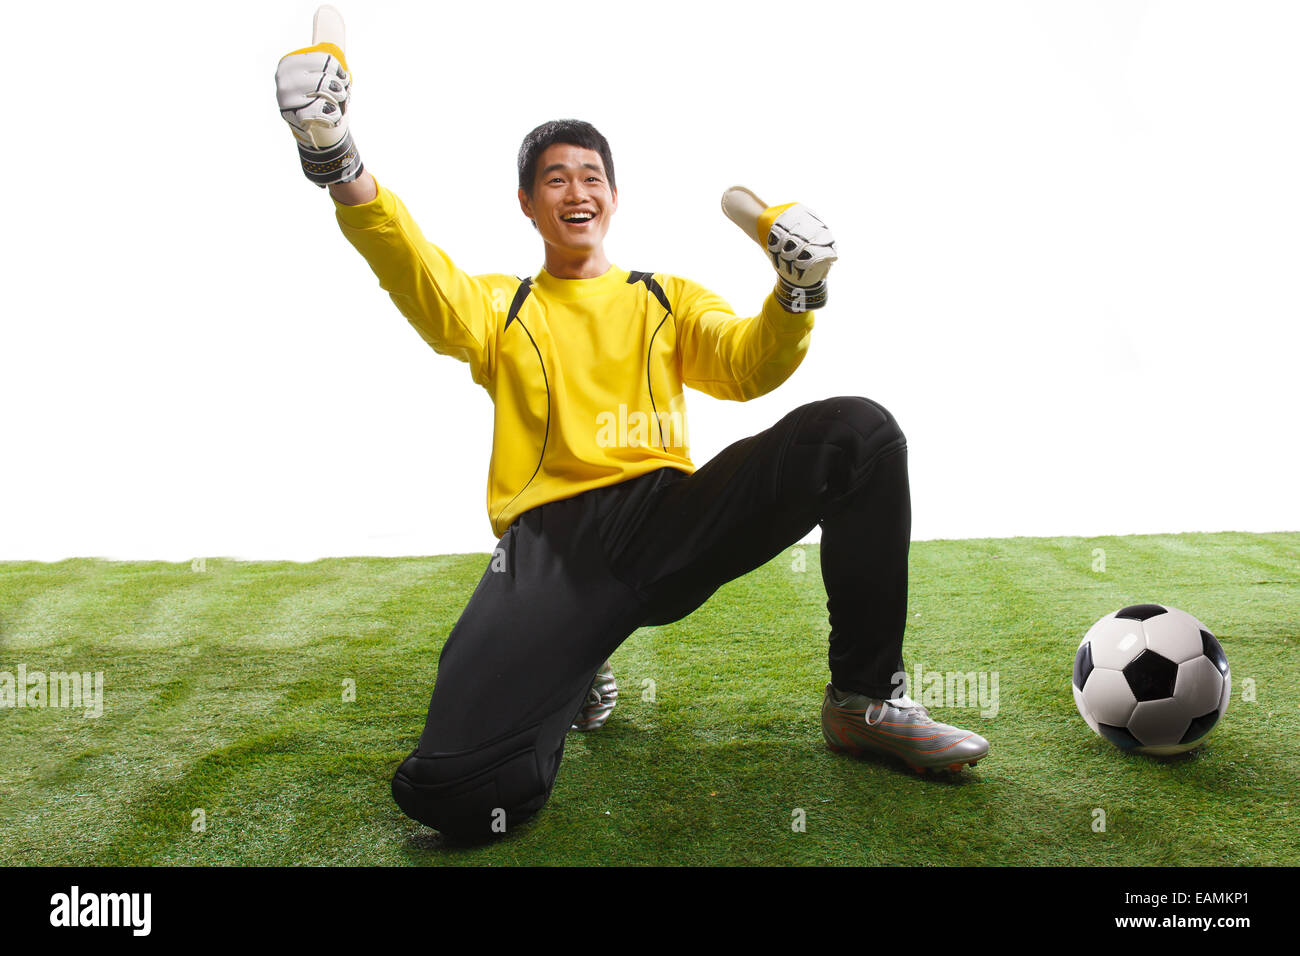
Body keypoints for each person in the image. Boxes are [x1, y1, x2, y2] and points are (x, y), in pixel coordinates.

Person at [275, 32, 988, 842]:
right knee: (463, 797)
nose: (575, 191)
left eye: (590, 177)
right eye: (554, 179)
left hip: (668, 521)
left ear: (613, 196)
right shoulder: (499, 307)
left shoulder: (664, 296)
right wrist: (337, 156)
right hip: (551, 549)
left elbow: (745, 367)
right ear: (526, 203)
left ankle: (863, 701)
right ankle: (571, 664)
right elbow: (411, 264)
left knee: (859, 433)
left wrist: (796, 295)